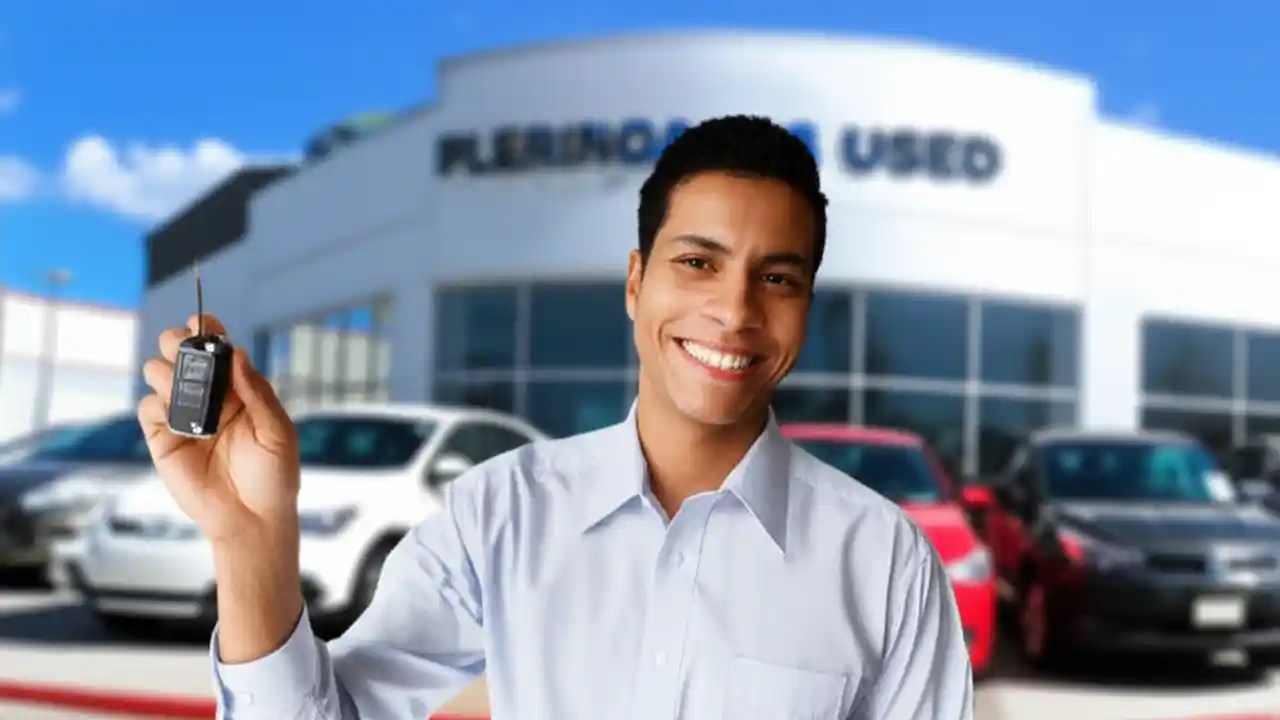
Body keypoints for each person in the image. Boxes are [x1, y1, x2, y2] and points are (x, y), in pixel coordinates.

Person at [137, 115, 974, 719]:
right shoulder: (499, 512)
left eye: (778, 279)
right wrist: (250, 542)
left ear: (806, 306)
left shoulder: (886, 564)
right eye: (697, 263)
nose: (735, 310)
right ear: (635, 281)